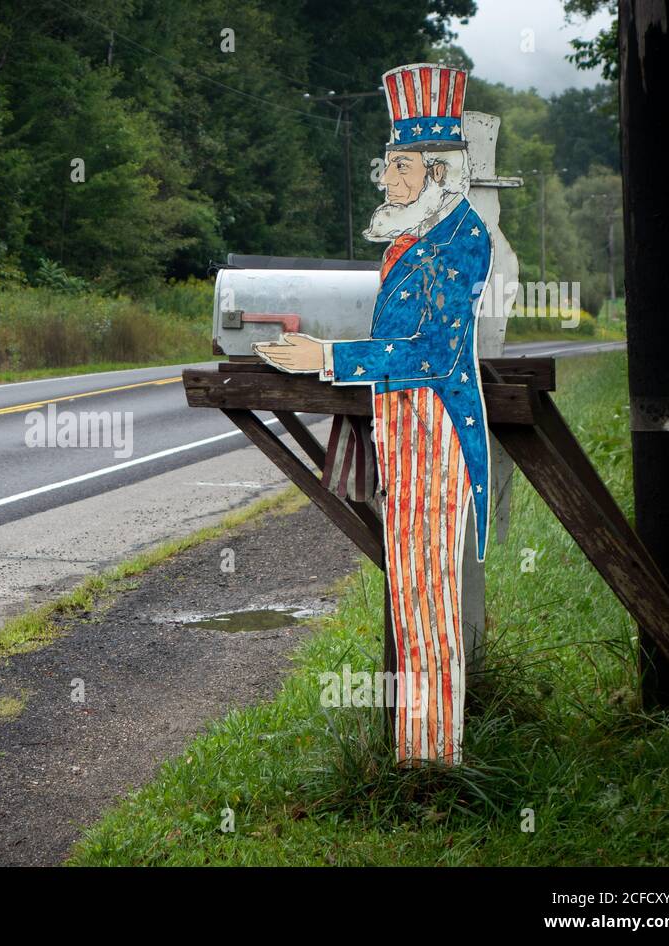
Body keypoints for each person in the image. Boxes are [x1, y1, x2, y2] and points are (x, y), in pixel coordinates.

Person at [254, 63, 492, 765]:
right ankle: (420, 751)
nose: (385, 179)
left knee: (427, 593)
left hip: (435, 428)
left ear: (438, 174)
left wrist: (325, 359)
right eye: (386, 165)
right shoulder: (411, 242)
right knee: (412, 591)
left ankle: (430, 757)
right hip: (404, 426)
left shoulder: (458, 241)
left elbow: (430, 353)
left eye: (399, 166)